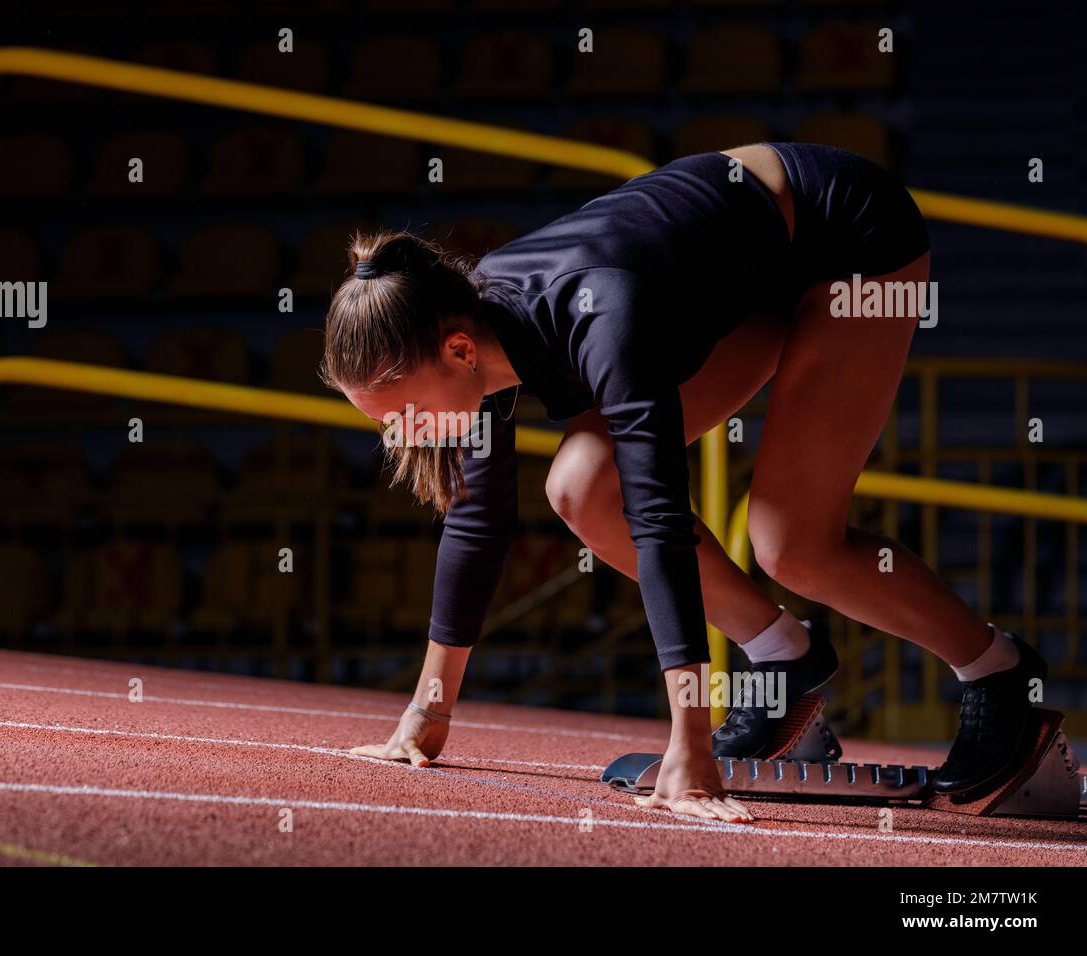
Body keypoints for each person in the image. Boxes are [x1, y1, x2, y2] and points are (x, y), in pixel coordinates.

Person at [319, 143, 1046, 822]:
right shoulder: (478, 346)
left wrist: (690, 746)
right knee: (582, 488)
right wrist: (428, 712)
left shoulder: (603, 317)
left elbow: (660, 516)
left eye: (402, 415)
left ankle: (1000, 672)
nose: (398, 436)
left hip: (844, 237)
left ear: (456, 349)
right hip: (736, 268)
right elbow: (479, 522)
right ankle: (784, 661)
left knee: (792, 544)